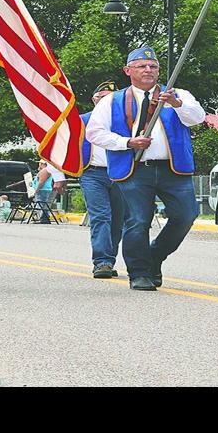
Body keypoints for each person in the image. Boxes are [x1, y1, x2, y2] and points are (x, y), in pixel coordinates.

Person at [86, 46, 205, 291]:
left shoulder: (177, 94)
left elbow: (198, 118)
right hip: (134, 169)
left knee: (186, 215)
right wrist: (126, 143)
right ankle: (139, 273)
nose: (148, 70)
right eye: (142, 66)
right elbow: (94, 133)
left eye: (153, 66)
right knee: (138, 221)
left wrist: (178, 104)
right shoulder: (112, 100)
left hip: (173, 168)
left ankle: (155, 256)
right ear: (128, 70)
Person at [79, 80, 123, 278]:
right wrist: (59, 175)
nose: (106, 101)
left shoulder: (124, 121)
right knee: (101, 217)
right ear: (94, 100)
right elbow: (63, 147)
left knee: (118, 220)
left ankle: (110, 259)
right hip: (92, 173)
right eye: (102, 97)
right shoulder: (81, 121)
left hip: (121, 173)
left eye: (110, 98)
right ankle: (102, 261)